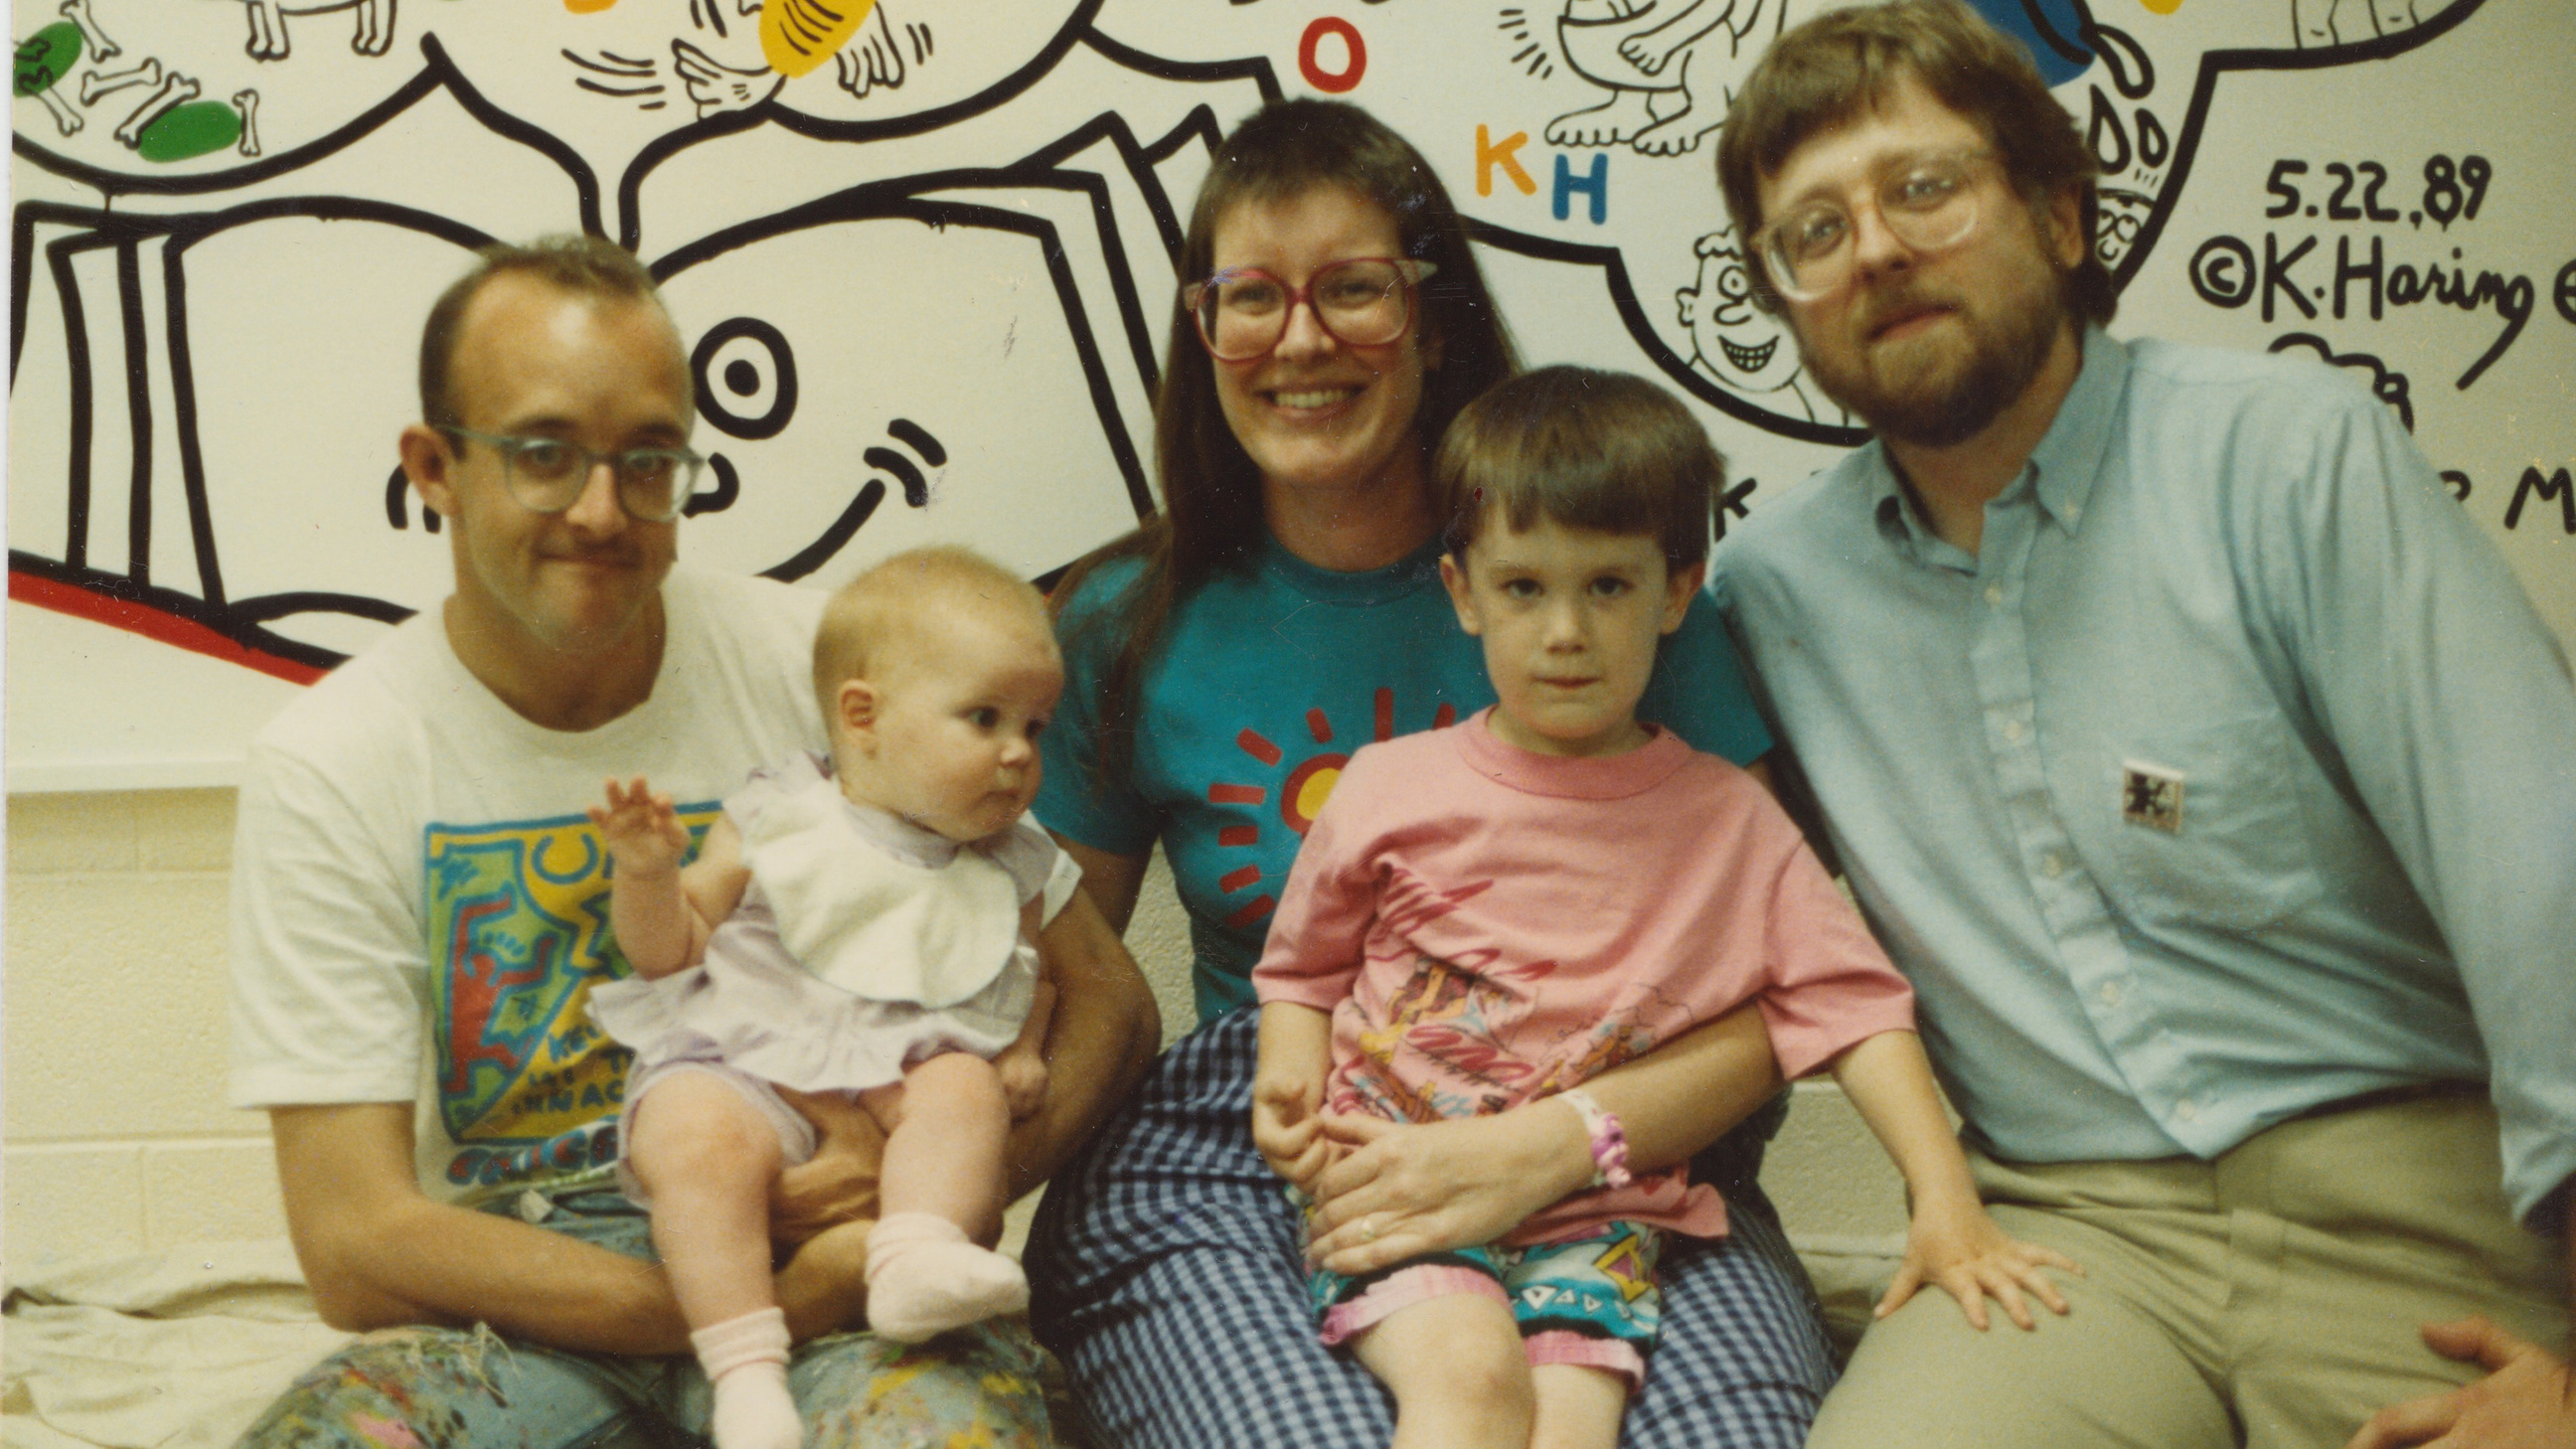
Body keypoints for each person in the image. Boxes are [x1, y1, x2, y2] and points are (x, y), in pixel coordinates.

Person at [1705, 4, 2576, 1447]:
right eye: (1814, 230)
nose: (1874, 248)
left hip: (2423, 1204)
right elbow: (1680, 906)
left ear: (2057, 211)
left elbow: (2546, 882)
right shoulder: (1771, 593)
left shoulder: (2288, 459)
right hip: (2062, 1239)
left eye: (1923, 187)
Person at [227, 236, 1160, 1448]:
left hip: (843, 1258)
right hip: (529, 1294)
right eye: (545, 456)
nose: (603, 511)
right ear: (436, 468)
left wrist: (916, 1199)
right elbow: (355, 1245)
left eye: (649, 461)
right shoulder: (333, 761)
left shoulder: (828, 667)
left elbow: (1110, 1006)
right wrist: (736, 1307)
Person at [1023, 97, 1836, 1449]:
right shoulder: (1121, 620)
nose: (1299, 340)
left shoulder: (1606, 576)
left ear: (1437, 318)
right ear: (1201, 327)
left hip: (1619, 1147)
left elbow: (1785, 992)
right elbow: (1064, 979)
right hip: (1262, 1145)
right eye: (1250, 298)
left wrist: (1555, 1143)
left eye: (1355, 291)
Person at [1249, 366, 2076, 1449]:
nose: (1565, 633)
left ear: (1677, 591)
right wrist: (1286, 1071)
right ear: (1462, 592)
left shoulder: (1729, 822)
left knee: (1574, 1423)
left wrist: (1943, 1196)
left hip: (1598, 1217)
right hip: (1402, 1183)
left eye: (1607, 587)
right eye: (1523, 589)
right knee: (1472, 1389)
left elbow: (1855, 1008)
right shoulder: (1391, 787)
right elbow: (1300, 972)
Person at [587, 549, 1073, 1449]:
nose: (1018, 753)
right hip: (746, 1061)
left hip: (899, 1074)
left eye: (1036, 727)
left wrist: (1024, 1050)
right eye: (984, 719)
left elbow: (1018, 971)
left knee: (962, 1092)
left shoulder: (1012, 860)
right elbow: (671, 950)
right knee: (691, 1133)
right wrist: (649, 876)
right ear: (863, 717)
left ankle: (911, 1255)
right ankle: (745, 1372)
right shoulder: (784, 811)